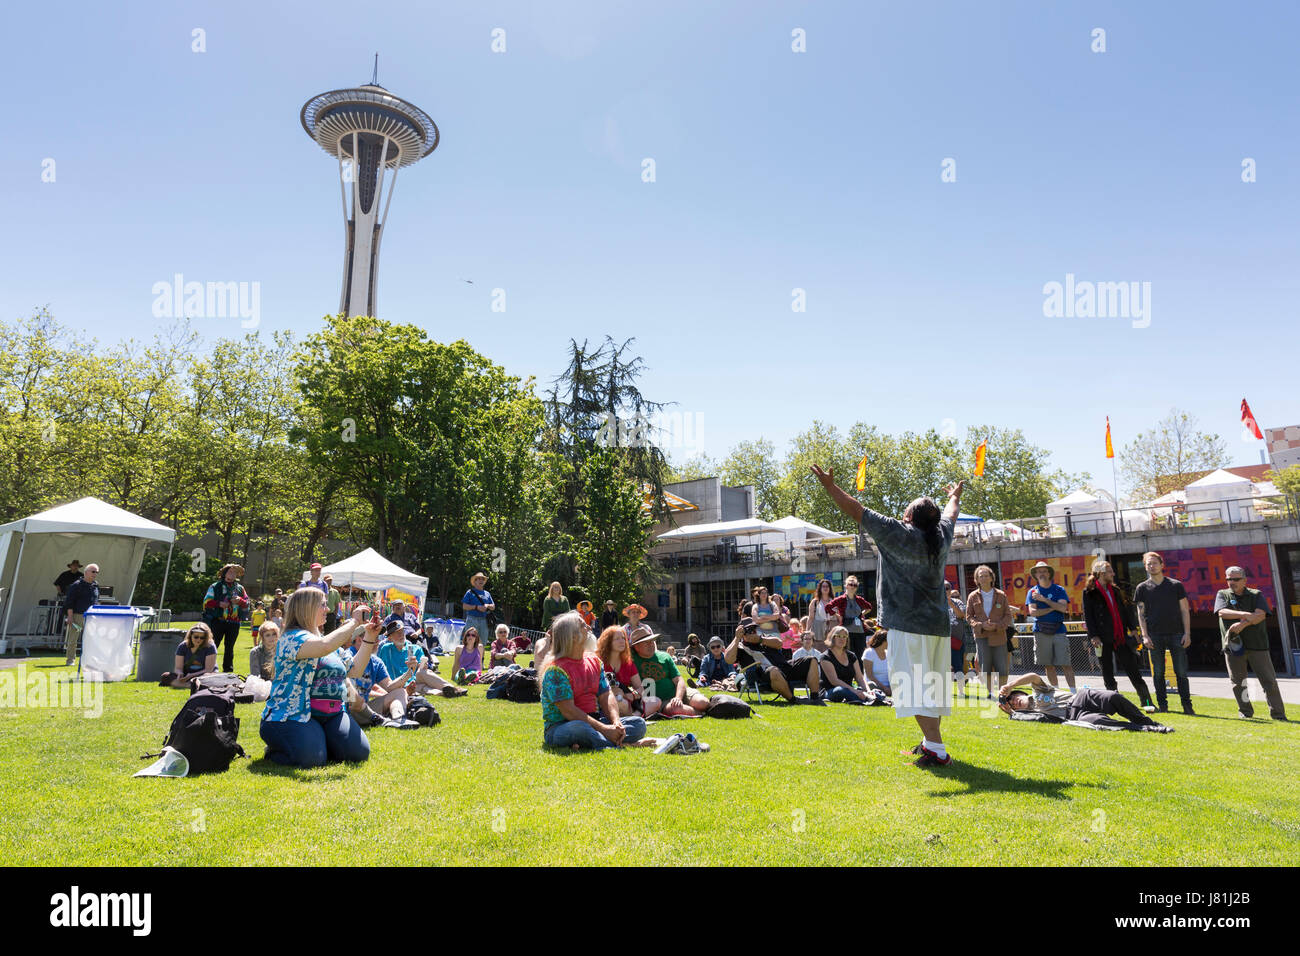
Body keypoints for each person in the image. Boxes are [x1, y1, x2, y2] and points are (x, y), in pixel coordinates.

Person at [812, 463, 962, 768]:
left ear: (909, 517)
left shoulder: (897, 532)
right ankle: (929, 744)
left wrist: (829, 487)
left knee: (912, 688)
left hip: (909, 626)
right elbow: (952, 512)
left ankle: (937, 751)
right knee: (930, 688)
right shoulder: (942, 534)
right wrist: (955, 496)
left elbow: (856, 509)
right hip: (938, 626)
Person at [259, 592, 382, 767]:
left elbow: (355, 670)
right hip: (292, 715)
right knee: (312, 760)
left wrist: (369, 636)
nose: (328, 609)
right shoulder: (291, 638)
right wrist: (355, 622)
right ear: (306, 608)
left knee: (358, 753)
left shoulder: (327, 642)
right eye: (323, 605)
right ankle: (277, 750)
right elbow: (324, 647)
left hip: (332, 714)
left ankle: (318, 743)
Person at [540, 612, 654, 750]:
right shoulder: (555, 670)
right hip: (563, 726)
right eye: (583, 626)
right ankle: (626, 744)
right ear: (573, 636)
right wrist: (604, 729)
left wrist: (616, 722)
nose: (589, 627)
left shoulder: (594, 661)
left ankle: (590, 743)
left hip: (595, 721)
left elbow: (606, 695)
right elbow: (569, 711)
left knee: (638, 723)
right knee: (579, 728)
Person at [1081, 559, 1155, 711]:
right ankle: (1113, 704)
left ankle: (1147, 703)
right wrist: (1093, 636)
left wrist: (1133, 629)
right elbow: (1088, 616)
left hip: (1120, 636)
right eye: (1110, 571)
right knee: (1107, 672)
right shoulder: (1089, 592)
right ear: (1101, 573)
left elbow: (1125, 611)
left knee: (1133, 670)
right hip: (1102, 638)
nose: (1113, 574)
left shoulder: (1115, 590)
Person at [1215, 566, 1287, 721]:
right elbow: (1222, 612)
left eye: (1236, 579)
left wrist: (1242, 625)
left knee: (1269, 681)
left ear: (1245, 580)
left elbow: (1260, 615)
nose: (1232, 582)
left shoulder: (1256, 594)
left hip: (1258, 645)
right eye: (1229, 579)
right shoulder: (1222, 594)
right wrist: (1246, 614)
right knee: (1239, 683)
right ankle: (1246, 712)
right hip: (1233, 646)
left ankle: (1278, 715)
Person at [997, 673, 1172, 732]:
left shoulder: (1038, 691)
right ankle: (1148, 729)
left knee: (1112, 697)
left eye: (1013, 697)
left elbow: (1033, 676)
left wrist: (1010, 685)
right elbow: (1020, 716)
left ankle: (1148, 722)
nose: (1014, 701)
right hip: (1075, 716)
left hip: (1080, 698)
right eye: (1011, 703)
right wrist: (1012, 713)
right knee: (1101, 723)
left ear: (1021, 692)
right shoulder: (1034, 715)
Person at [1133, 551, 1194, 715]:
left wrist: (1187, 633)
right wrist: (1145, 636)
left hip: (1177, 634)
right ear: (1145, 567)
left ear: (1162, 565)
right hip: (1154, 636)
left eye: (1154, 563)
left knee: (1181, 672)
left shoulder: (1176, 585)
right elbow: (1140, 614)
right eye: (1148, 564)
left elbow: (1185, 610)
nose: (1152, 566)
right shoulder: (1141, 588)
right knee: (1158, 673)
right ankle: (1163, 706)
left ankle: (1187, 706)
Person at [725, 616, 824, 704]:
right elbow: (728, 659)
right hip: (763, 675)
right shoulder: (740, 647)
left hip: (785, 668)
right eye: (748, 630)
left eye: (754, 628)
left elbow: (779, 643)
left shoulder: (763, 638)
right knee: (774, 670)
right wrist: (737, 638)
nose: (752, 631)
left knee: (812, 660)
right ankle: (793, 700)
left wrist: (760, 640)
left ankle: (815, 698)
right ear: (742, 633)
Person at [342, 628, 418, 728]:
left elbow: (389, 687)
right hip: (346, 710)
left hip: (365, 709)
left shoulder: (376, 661)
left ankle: (399, 720)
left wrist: (409, 673)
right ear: (360, 640)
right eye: (374, 637)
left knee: (400, 692)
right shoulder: (347, 655)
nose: (378, 641)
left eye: (378, 637)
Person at [376, 620, 466, 699]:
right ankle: (444, 692)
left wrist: (422, 665)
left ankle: (452, 688)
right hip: (399, 684)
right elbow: (380, 670)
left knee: (423, 673)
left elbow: (421, 668)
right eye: (397, 633)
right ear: (390, 638)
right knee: (423, 687)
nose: (401, 635)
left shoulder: (414, 648)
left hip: (414, 680)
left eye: (402, 631)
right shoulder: (386, 649)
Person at [630, 630, 709, 716]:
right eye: (646, 643)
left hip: (680, 693)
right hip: (661, 701)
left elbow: (679, 680)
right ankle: (704, 713)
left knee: (703, 702)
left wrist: (678, 698)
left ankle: (706, 707)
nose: (651, 644)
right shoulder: (631, 662)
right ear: (636, 647)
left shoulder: (665, 656)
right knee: (675, 709)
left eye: (652, 641)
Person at [966, 565, 1015, 698]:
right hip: (982, 636)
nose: (983, 578)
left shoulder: (1001, 595)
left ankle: (1002, 693)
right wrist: (981, 625)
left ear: (991, 578)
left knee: (1002, 667)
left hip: (999, 636)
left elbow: (1008, 615)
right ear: (977, 579)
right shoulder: (972, 596)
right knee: (985, 666)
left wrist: (998, 626)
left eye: (986, 575)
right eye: (980, 576)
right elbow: (969, 617)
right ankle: (990, 693)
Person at [1025, 561, 1074, 691]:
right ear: (1035, 575)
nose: (1041, 573)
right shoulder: (1032, 592)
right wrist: (1053, 607)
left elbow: (1063, 608)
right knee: (1048, 665)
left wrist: (1043, 600)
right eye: (1039, 571)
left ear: (1049, 573)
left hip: (1059, 630)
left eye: (1044, 571)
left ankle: (1074, 693)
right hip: (1041, 631)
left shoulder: (1059, 589)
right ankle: (1056, 692)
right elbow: (1033, 612)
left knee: (1066, 664)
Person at [202, 564, 249, 674]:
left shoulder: (240, 588)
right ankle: (208, 668)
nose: (232, 574)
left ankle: (228, 671)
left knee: (230, 647)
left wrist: (240, 601)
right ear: (224, 573)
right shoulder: (215, 586)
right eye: (230, 572)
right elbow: (206, 602)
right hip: (218, 621)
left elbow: (247, 604)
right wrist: (219, 603)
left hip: (234, 622)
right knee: (213, 645)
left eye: (234, 572)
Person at [596, 625, 651, 717]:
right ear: (608, 642)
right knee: (620, 702)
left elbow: (640, 688)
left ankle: (634, 716)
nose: (622, 641)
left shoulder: (628, 663)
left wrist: (632, 695)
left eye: (623, 638)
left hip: (627, 700)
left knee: (655, 701)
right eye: (617, 639)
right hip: (607, 700)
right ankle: (635, 716)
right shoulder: (599, 662)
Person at [820, 626, 882, 704]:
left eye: (844, 637)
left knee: (870, 686)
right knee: (841, 690)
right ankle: (870, 699)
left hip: (850, 689)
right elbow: (834, 681)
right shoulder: (825, 657)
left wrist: (868, 690)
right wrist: (855, 691)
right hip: (831, 691)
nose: (842, 639)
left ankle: (874, 698)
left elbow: (859, 678)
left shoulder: (851, 656)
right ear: (832, 638)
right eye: (838, 636)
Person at [824, 576, 874, 659]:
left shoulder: (859, 599)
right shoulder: (841, 599)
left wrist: (861, 614)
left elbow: (869, 607)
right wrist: (838, 616)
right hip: (846, 633)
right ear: (846, 586)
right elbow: (827, 607)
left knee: (860, 656)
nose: (853, 587)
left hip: (860, 632)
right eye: (851, 584)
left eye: (855, 585)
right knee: (849, 655)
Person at [63, 563, 100, 665]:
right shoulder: (76, 585)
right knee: (73, 639)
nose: (95, 574)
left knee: (91, 639)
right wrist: (70, 616)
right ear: (86, 572)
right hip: (78, 616)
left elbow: (96, 600)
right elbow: (69, 602)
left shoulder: (95, 585)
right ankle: (70, 660)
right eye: (93, 571)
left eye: (97, 572)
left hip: (91, 617)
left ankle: (89, 660)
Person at [163, 623, 218, 688]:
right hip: (186, 675)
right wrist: (180, 673)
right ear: (190, 636)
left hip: (203, 675)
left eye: (202, 638)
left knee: (208, 676)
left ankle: (188, 685)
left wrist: (191, 675)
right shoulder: (182, 646)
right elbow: (178, 668)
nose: (199, 640)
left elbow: (208, 670)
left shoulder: (210, 646)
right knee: (165, 676)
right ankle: (191, 685)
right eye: (196, 637)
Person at [945, 581, 974, 696]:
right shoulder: (935, 603)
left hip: (956, 641)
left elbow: (962, 615)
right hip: (940, 641)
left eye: (947, 588)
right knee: (939, 667)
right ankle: (940, 692)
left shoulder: (957, 602)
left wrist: (951, 604)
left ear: (950, 590)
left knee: (958, 666)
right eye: (942, 588)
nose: (945, 591)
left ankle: (961, 691)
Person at [461, 572, 496, 639]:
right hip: (472, 619)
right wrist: (476, 607)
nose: (481, 580)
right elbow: (464, 606)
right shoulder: (469, 592)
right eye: (479, 579)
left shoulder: (487, 594)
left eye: (483, 579)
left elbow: (493, 607)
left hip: (484, 620)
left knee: (483, 641)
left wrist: (487, 605)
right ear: (475, 581)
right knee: (470, 641)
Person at [807, 579, 838, 651]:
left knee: (832, 651)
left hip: (832, 629)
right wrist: (807, 631)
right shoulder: (815, 602)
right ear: (820, 588)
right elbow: (811, 618)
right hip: (818, 630)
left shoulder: (835, 601)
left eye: (827, 586)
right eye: (823, 586)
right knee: (819, 651)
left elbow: (839, 616)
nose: (825, 588)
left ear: (830, 588)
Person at [862, 631, 891, 695]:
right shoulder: (869, 652)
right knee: (871, 685)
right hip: (875, 685)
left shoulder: (888, 653)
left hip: (888, 686)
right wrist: (884, 688)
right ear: (883, 641)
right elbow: (870, 676)